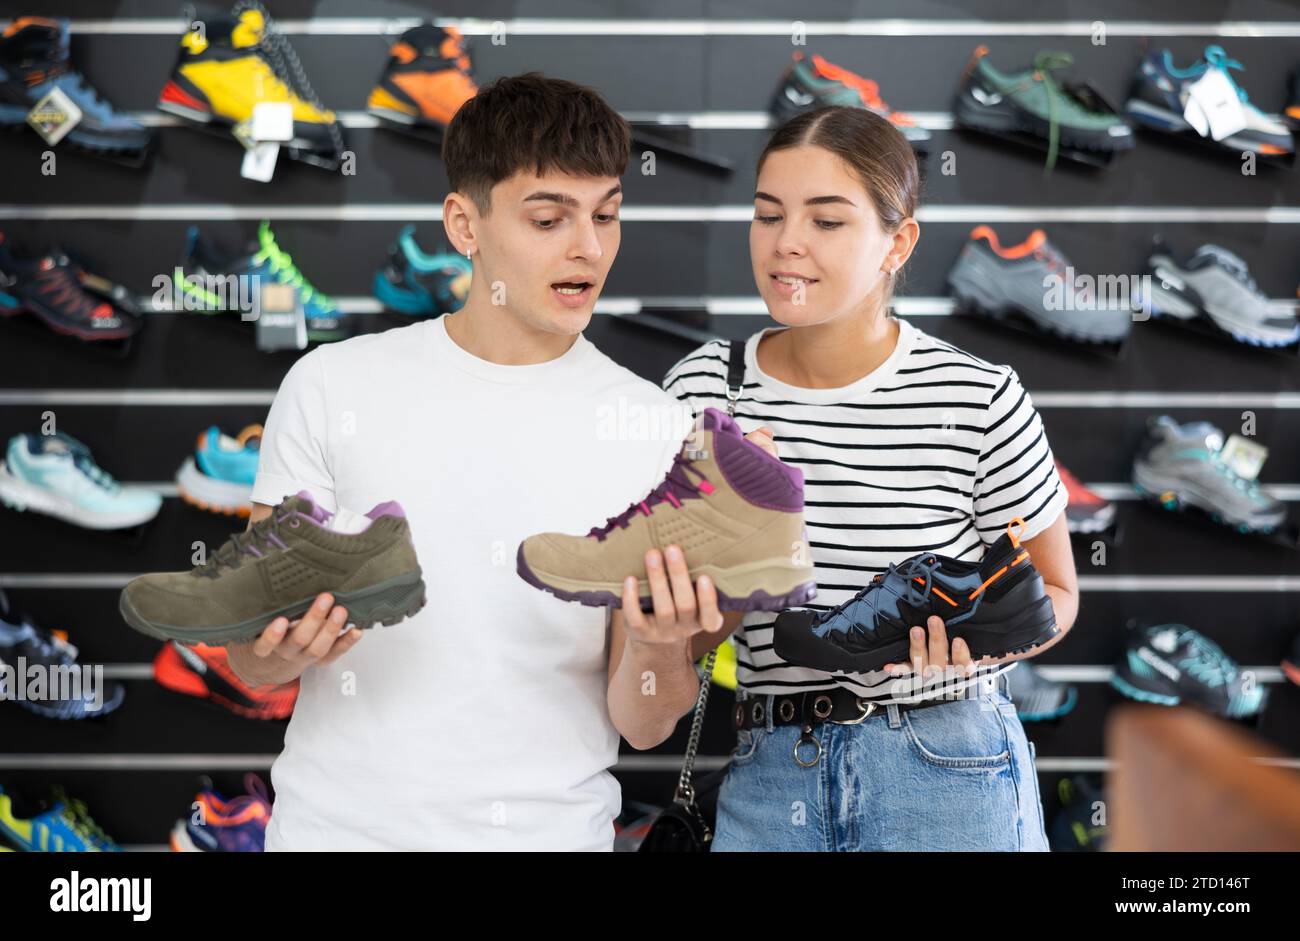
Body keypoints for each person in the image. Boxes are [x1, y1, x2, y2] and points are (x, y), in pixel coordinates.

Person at [226, 74, 726, 850]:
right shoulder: (330, 385)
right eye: (548, 218)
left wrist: (663, 644)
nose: (588, 248)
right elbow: (250, 656)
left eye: (606, 215)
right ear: (465, 224)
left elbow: (644, 721)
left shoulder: (654, 430)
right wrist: (272, 648)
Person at [663, 105, 1080, 851]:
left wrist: (978, 644)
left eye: (827, 221)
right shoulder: (704, 391)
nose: (786, 244)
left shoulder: (977, 395)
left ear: (898, 242)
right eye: (768, 215)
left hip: (949, 765)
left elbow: (1057, 593)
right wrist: (738, 544)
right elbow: (693, 637)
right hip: (771, 771)